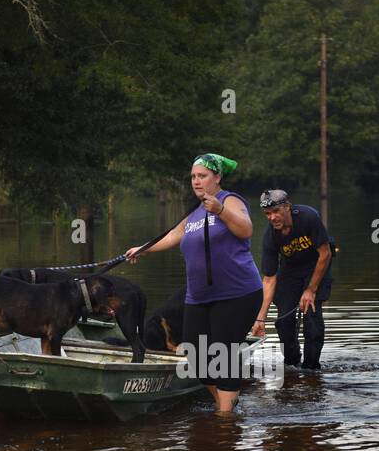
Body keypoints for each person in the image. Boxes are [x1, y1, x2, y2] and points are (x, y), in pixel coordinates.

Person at [125, 153, 261, 413]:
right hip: (199, 297)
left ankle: (225, 420)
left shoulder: (229, 200)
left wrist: (220, 210)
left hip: (236, 294)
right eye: (193, 177)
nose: (197, 182)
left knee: (223, 356)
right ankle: (225, 407)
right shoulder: (195, 212)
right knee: (198, 360)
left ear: (217, 177)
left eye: (203, 176)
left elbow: (246, 229)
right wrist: (143, 249)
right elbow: (174, 235)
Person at [253, 189, 334, 370]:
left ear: (287, 207)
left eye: (276, 212)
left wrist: (311, 290)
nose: (272, 218)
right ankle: (292, 366)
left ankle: (311, 369)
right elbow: (269, 279)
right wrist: (260, 319)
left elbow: (325, 253)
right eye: (267, 214)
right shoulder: (270, 237)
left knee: (312, 319)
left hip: (317, 265)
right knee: (283, 322)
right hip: (290, 271)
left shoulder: (308, 217)